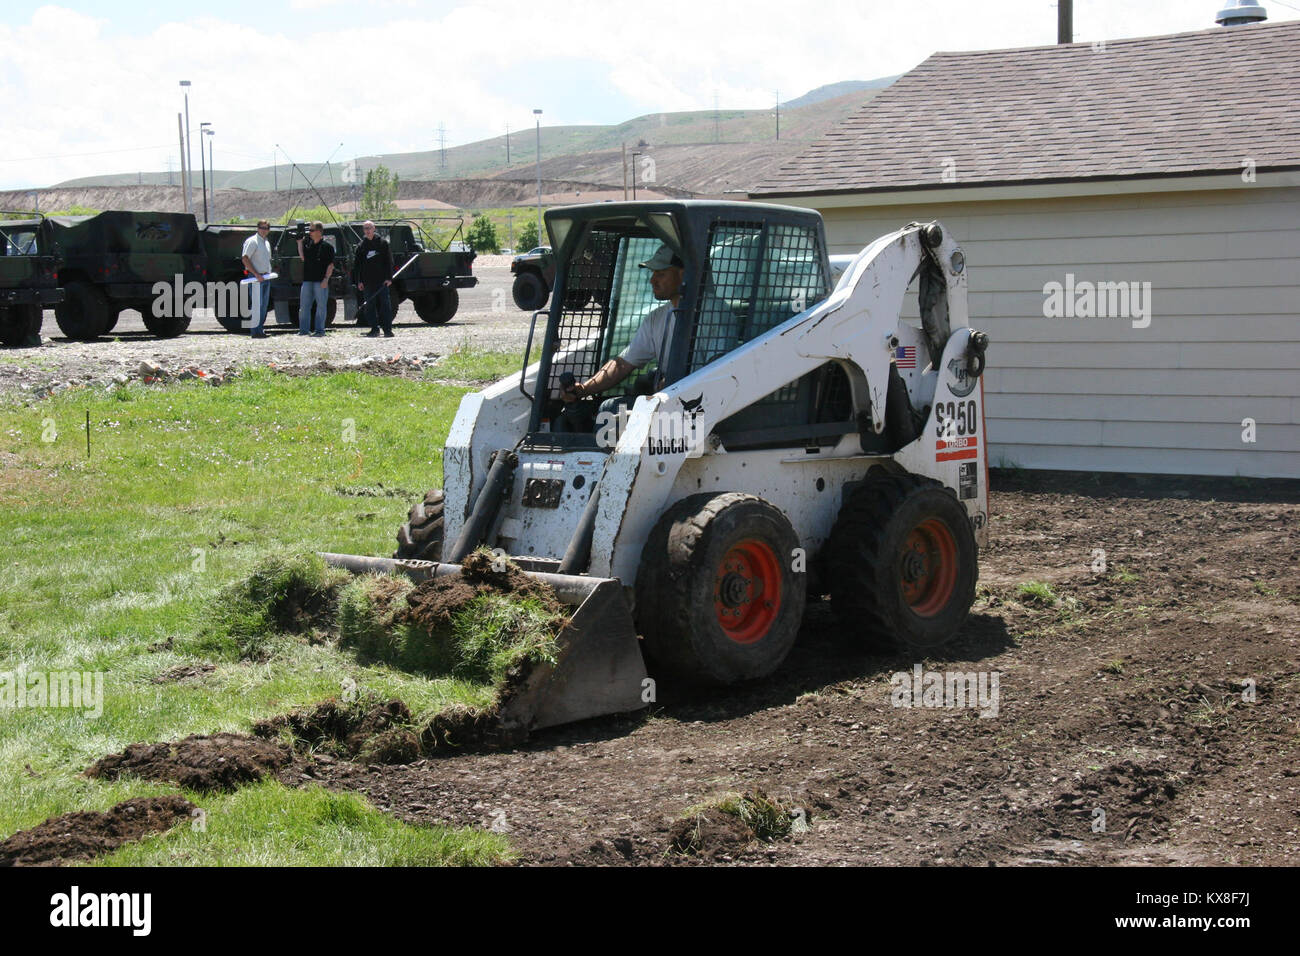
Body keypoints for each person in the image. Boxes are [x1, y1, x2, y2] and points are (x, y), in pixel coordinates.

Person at [560, 244, 683, 412]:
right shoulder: (657, 319)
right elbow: (622, 364)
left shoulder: (710, 317)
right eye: (653, 273)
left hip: (697, 404)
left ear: (684, 274)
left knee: (611, 410)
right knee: (606, 409)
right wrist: (584, 389)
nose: (652, 280)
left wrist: (676, 382)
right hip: (670, 398)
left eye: (660, 274)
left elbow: (719, 368)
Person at [353, 220, 395, 338]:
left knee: (385, 305)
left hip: (382, 282)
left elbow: (389, 262)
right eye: (365, 228)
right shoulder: (361, 246)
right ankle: (374, 329)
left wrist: (389, 278)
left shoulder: (383, 244)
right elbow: (357, 266)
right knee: (369, 306)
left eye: (369, 228)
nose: (367, 230)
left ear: (374, 228)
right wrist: (359, 281)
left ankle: (387, 330)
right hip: (367, 282)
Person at [296, 221, 334, 336]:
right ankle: (303, 330)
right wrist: (299, 243)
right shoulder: (309, 245)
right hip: (307, 280)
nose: (310, 233)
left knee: (321, 306)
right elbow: (303, 258)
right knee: (304, 306)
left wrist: (326, 279)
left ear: (319, 231)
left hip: (320, 281)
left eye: (312, 230)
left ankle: (319, 330)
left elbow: (330, 265)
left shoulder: (327, 247)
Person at [240, 219, 273, 338]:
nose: (264, 231)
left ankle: (260, 330)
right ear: (257, 228)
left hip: (266, 277)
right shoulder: (252, 241)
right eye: (262, 228)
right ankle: (255, 331)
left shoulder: (266, 242)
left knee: (263, 306)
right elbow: (245, 258)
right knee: (256, 305)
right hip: (255, 278)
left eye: (266, 228)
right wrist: (256, 274)